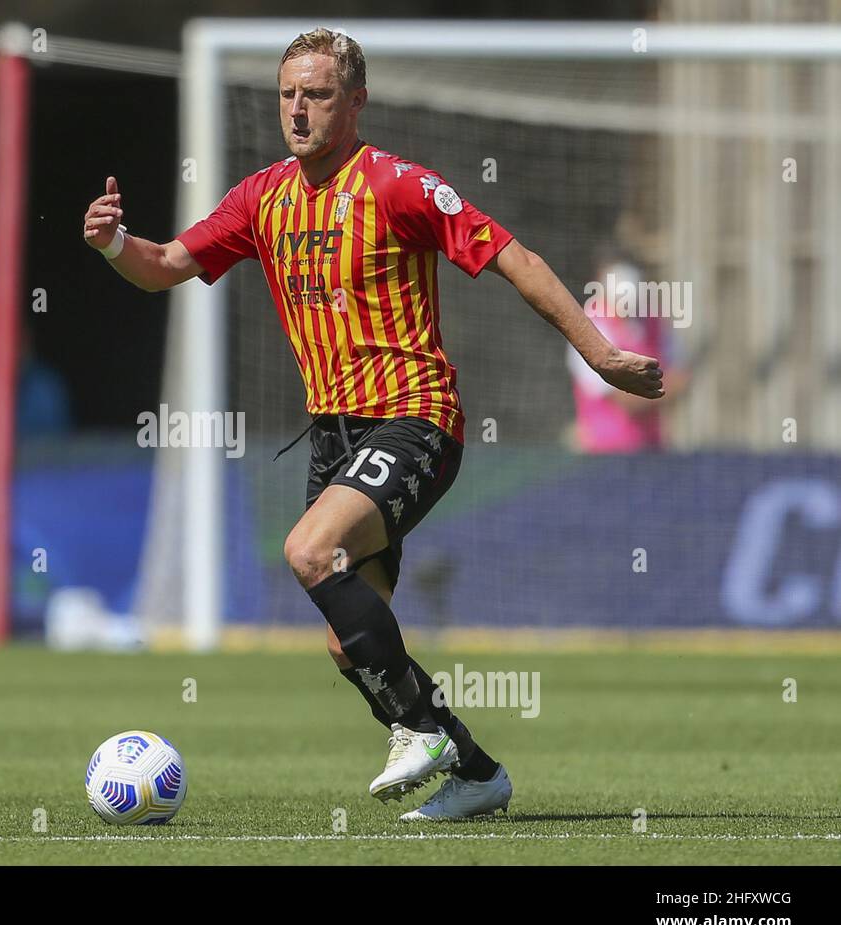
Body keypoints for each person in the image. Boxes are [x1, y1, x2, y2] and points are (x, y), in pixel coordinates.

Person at [82, 28, 664, 821]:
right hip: (334, 436)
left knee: (308, 552)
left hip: (416, 417)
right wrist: (114, 241)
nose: (298, 110)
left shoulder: (399, 187)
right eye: (288, 93)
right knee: (345, 639)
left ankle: (419, 730)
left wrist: (600, 353)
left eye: (317, 95)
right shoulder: (261, 198)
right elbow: (162, 268)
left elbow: (512, 257)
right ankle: (477, 771)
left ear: (354, 103)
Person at [567, 249, 685, 452]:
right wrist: (667, 389)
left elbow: (682, 377)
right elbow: (627, 402)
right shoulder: (587, 329)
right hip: (603, 452)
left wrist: (667, 388)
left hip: (652, 449)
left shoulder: (654, 323)